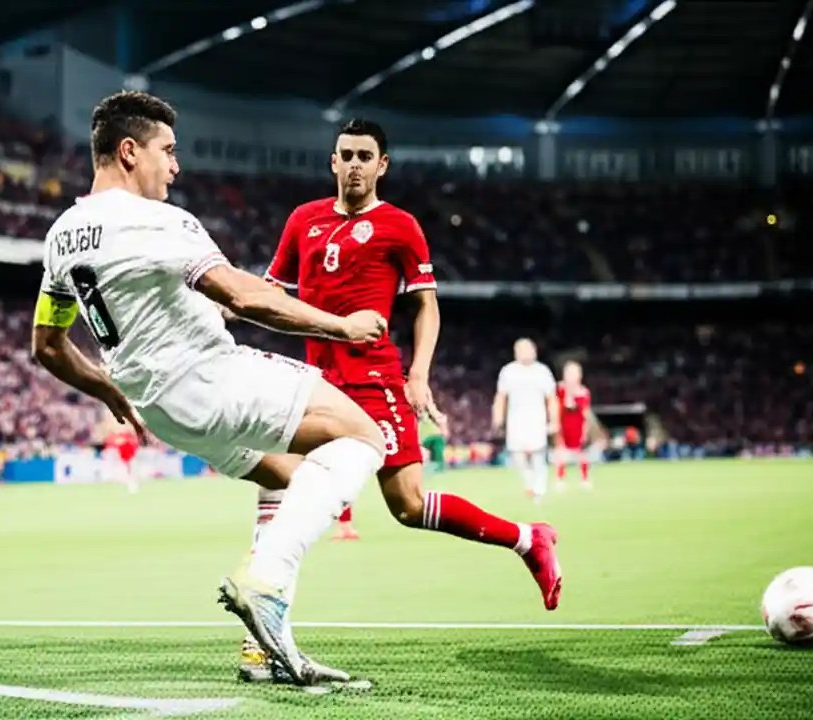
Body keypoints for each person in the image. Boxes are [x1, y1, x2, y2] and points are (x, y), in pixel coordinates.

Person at [30, 91, 390, 686]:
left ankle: (261, 650)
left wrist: (108, 392)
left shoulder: (61, 236)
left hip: (160, 407)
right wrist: (341, 326)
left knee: (287, 476)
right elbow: (245, 297)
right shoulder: (158, 220)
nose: (175, 166)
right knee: (362, 435)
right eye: (167, 151)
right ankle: (266, 582)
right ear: (128, 152)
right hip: (209, 379)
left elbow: (47, 345)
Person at [236, 121, 563, 684]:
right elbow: (272, 291)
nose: (355, 165)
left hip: (374, 384)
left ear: (382, 164)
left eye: (366, 156)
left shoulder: (400, 227)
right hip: (316, 381)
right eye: (346, 156)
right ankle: (258, 640)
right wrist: (224, 303)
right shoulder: (302, 221)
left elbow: (426, 306)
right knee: (277, 475)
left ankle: (527, 539)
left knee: (408, 506)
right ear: (332, 163)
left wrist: (418, 374)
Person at [492, 338, 560, 501]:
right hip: (516, 420)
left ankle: (539, 489)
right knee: (518, 456)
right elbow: (501, 397)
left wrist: (555, 420)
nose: (526, 353)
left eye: (529, 349)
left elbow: (551, 398)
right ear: (516, 352)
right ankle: (529, 483)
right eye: (522, 350)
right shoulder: (508, 371)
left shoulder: (542, 371)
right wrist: (498, 417)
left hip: (537, 419)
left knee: (538, 455)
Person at [554, 360, 594, 489]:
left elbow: (586, 413)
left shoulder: (584, 392)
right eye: (568, 373)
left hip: (577, 425)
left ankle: (585, 479)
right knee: (561, 453)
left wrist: (585, 430)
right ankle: (560, 479)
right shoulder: (559, 389)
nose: (571, 376)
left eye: (574, 373)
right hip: (563, 425)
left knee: (581, 454)